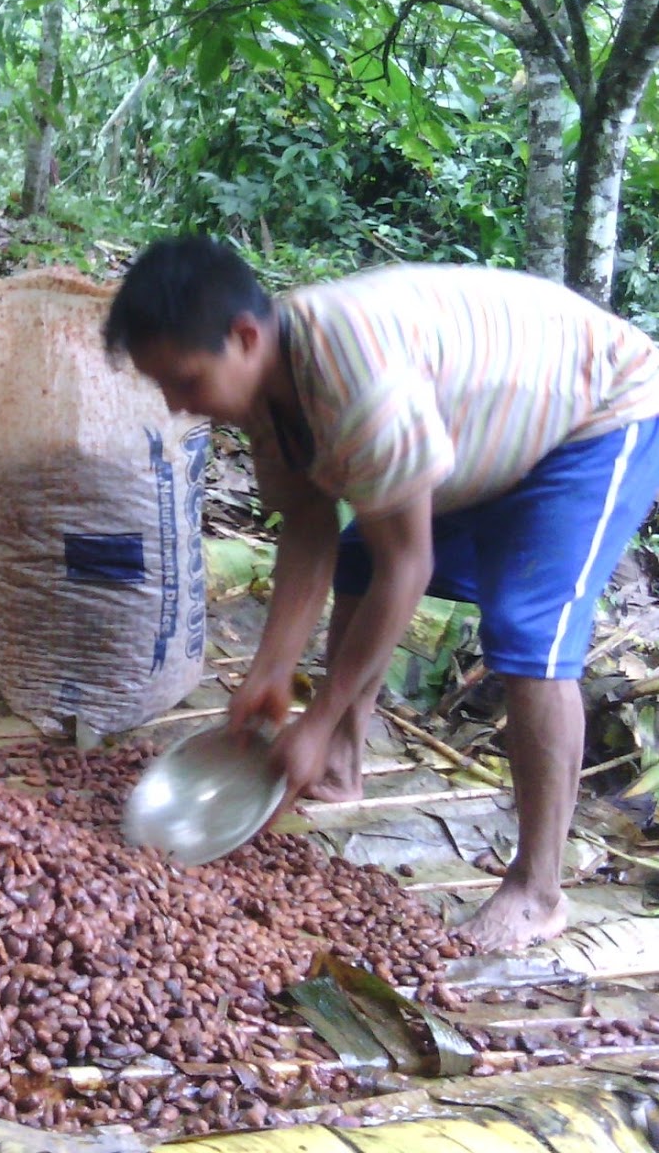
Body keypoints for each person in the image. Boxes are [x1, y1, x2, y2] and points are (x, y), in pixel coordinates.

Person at [104, 234, 659, 952]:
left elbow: (411, 568)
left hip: (597, 413)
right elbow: (308, 531)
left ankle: (536, 891)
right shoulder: (270, 388)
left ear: (242, 338)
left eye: (184, 381)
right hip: (483, 436)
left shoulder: (351, 380)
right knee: (358, 560)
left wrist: (321, 708)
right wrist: (269, 674)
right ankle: (339, 765)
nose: (179, 406)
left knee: (527, 635)